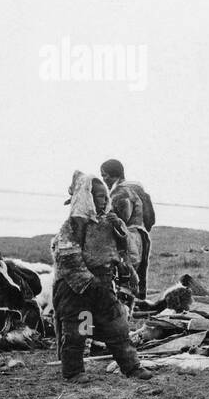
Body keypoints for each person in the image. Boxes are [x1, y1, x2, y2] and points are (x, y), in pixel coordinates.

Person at [51, 170, 149, 381]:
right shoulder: (73, 225)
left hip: (103, 284)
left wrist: (118, 227)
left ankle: (132, 367)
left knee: (117, 326)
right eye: (100, 196)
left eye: (106, 196)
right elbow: (67, 254)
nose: (105, 200)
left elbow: (123, 249)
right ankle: (74, 371)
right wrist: (86, 280)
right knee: (78, 329)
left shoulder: (108, 223)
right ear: (87, 198)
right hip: (76, 288)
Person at [100, 159, 156, 299]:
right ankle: (136, 304)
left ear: (113, 175)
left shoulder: (120, 192)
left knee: (125, 276)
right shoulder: (137, 190)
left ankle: (123, 310)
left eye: (104, 175)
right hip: (141, 235)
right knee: (138, 276)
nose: (103, 179)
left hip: (128, 237)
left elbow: (123, 218)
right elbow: (150, 220)